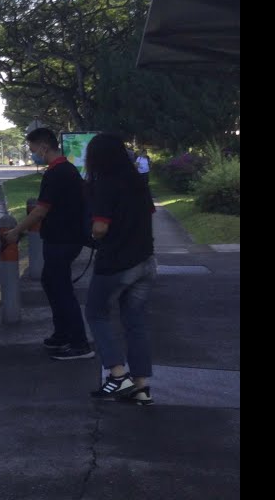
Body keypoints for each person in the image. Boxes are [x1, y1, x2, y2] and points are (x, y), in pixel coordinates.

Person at [4, 127, 94, 360]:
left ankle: (79, 343)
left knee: (61, 289)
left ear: (44, 147)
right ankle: (62, 334)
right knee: (52, 283)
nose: (33, 154)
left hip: (62, 239)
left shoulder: (57, 173)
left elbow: (40, 210)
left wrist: (16, 231)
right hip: (64, 238)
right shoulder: (66, 170)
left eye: (33, 149)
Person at [82, 133, 157, 406]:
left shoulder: (105, 185)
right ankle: (141, 386)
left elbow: (100, 227)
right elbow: (148, 215)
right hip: (146, 261)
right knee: (135, 322)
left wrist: (93, 235)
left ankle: (117, 374)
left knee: (96, 313)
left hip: (116, 263)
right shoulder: (139, 182)